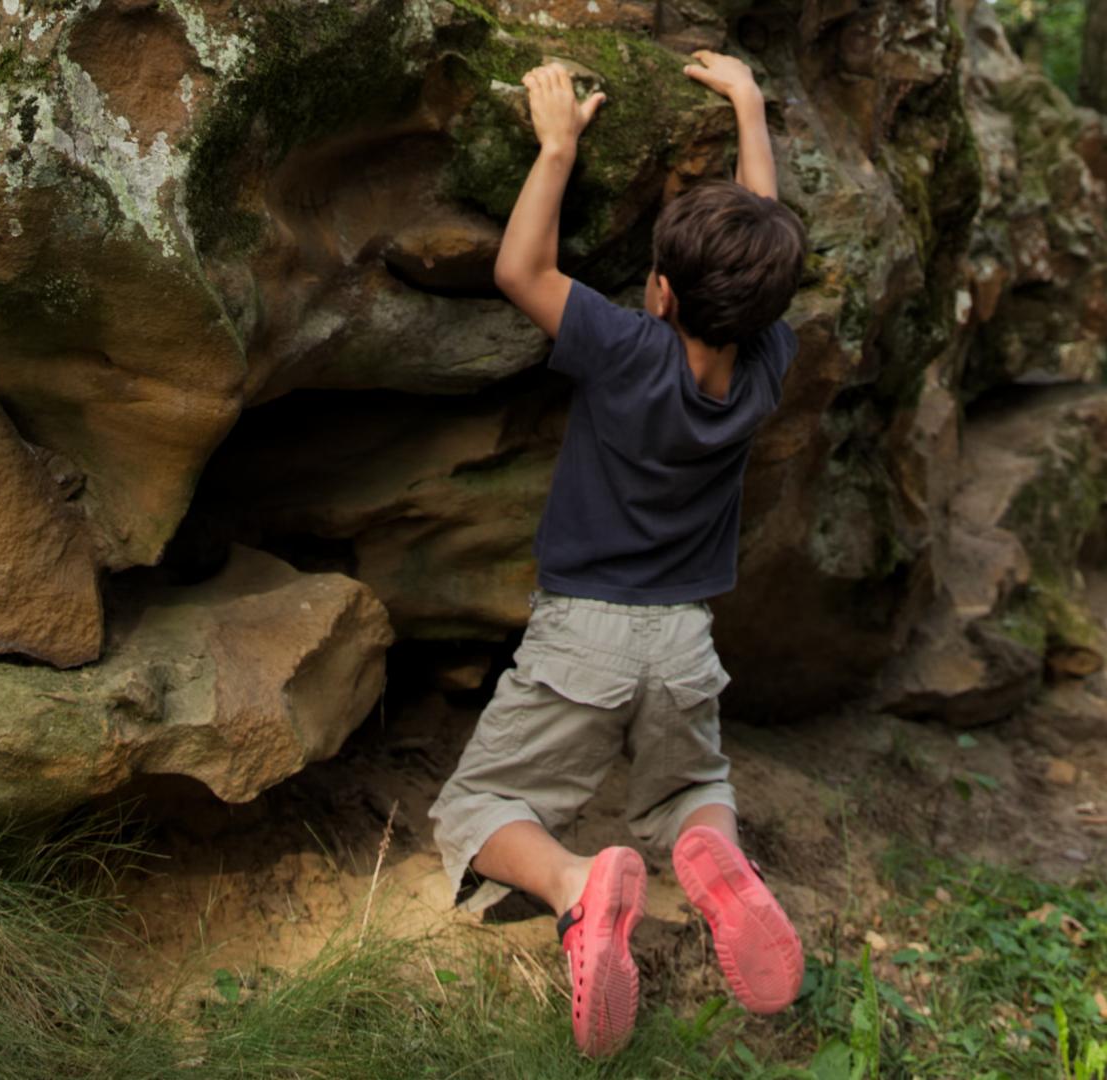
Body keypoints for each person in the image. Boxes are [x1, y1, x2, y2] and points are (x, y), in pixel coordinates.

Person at [426, 51, 809, 1058]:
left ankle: (573, 886)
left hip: (583, 632)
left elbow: (522, 271)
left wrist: (556, 147)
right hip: (686, 645)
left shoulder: (626, 350)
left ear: (661, 297)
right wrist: (751, 111)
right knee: (692, 791)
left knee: (473, 811)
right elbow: (760, 254)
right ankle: (717, 868)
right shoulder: (767, 367)